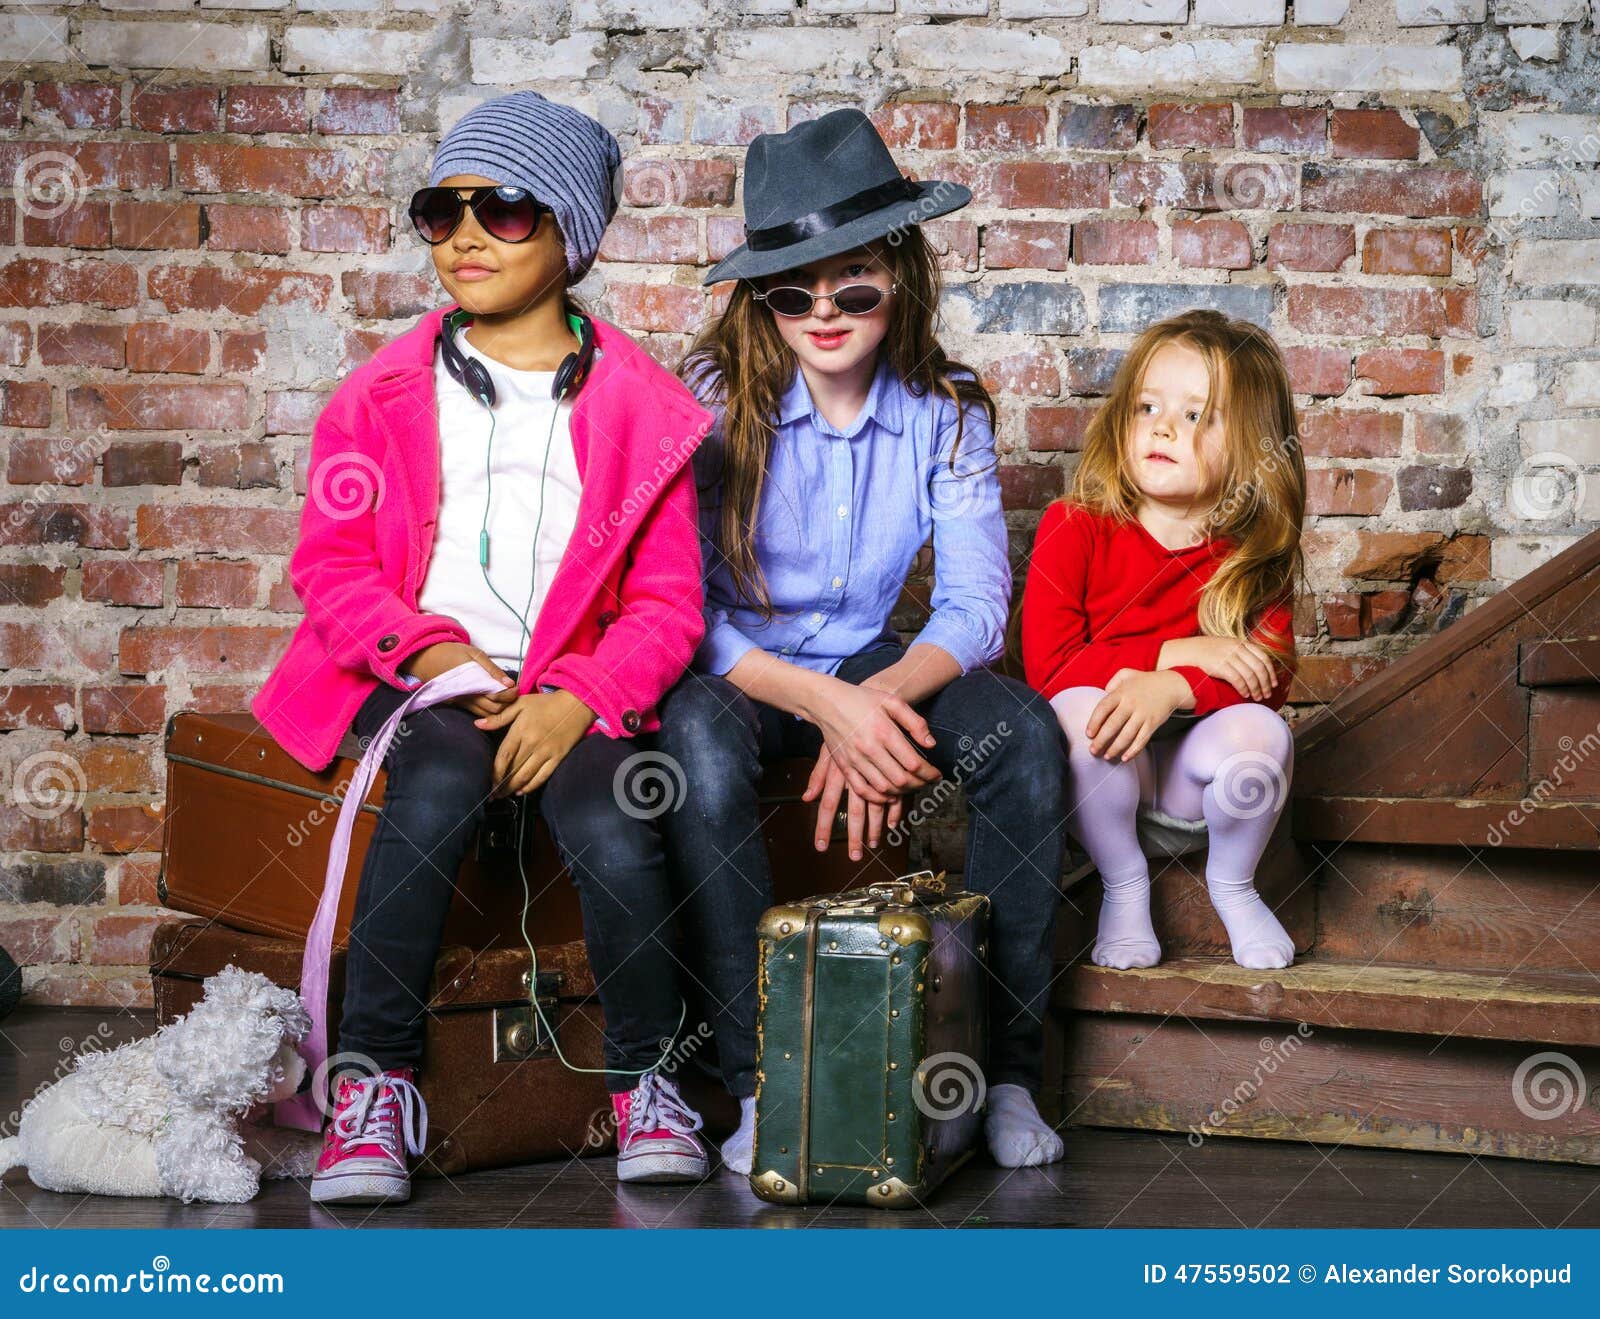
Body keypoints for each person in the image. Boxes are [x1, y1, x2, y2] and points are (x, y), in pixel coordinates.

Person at [250, 91, 716, 1202]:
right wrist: (430, 658)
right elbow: (332, 568)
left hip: (571, 685)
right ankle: (374, 1085)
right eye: (441, 208)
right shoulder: (377, 395)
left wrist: (582, 695)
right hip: (418, 676)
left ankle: (647, 1077)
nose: (464, 234)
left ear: (571, 238)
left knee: (615, 809)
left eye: (504, 209)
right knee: (440, 779)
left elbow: (669, 605)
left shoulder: (646, 410)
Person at [657, 108, 1073, 1173]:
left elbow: (977, 609)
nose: (823, 312)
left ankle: (1010, 1071)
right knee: (697, 750)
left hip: (873, 663)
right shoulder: (706, 405)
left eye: (853, 285)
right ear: (761, 297)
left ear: (900, 273)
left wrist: (872, 700)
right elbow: (675, 607)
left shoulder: (946, 408)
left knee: (1023, 730)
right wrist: (820, 704)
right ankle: (756, 1082)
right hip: (737, 667)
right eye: (792, 291)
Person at [1021, 309, 1306, 973]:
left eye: (1196, 414)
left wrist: (1172, 689)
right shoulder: (1074, 525)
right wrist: (1168, 659)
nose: (1163, 426)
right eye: (1147, 406)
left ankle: (1234, 884)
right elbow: (1050, 667)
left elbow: (1269, 678)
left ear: (1252, 443)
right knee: (1076, 706)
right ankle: (1123, 885)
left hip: (1192, 788)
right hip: (1102, 781)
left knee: (1265, 737)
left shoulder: (1254, 553)